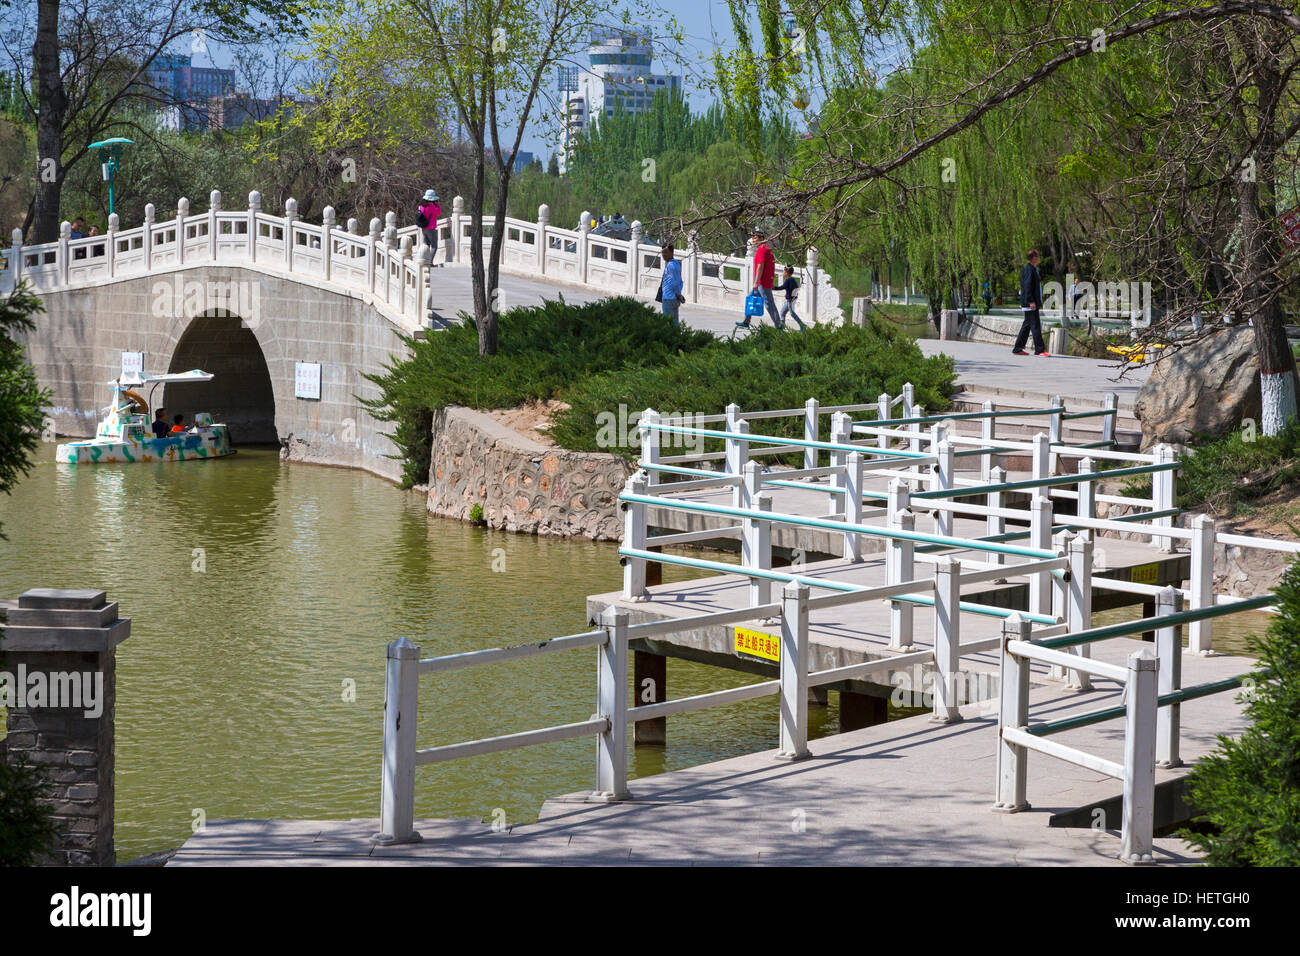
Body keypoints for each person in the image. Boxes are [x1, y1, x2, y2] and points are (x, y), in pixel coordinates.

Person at [737, 228, 784, 330]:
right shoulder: (768, 249)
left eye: (755, 238)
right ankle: (746, 322)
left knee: (769, 304)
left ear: (761, 238)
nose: (753, 240)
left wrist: (756, 282)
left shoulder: (762, 250)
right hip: (765, 281)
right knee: (751, 298)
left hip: (762, 282)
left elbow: (760, 266)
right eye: (753, 238)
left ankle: (779, 325)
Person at [1012, 249, 1048, 356]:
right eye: (1038, 256)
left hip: (1030, 303)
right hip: (1030, 304)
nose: (1039, 258)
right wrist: (1031, 301)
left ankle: (1018, 348)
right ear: (1034, 258)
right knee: (1035, 325)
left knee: (1027, 326)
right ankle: (1039, 350)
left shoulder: (1032, 269)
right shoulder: (1029, 269)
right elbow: (1027, 287)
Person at [658, 244, 685, 326]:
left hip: (669, 298)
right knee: (674, 322)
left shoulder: (670, 265)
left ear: (672, 252)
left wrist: (677, 294)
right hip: (673, 298)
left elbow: (675, 282)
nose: (663, 255)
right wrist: (678, 294)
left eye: (666, 252)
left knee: (668, 323)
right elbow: (680, 281)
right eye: (662, 252)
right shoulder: (676, 263)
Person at [776, 265, 806, 329]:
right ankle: (782, 326)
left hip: (790, 300)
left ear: (786, 273)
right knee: (782, 312)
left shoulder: (788, 280)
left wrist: (773, 288)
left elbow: (782, 287)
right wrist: (788, 293)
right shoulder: (792, 279)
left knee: (792, 313)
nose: (783, 273)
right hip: (790, 300)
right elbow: (795, 288)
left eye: (784, 272)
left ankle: (802, 325)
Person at [417, 190, 441, 264]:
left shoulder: (421, 206)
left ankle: (425, 261)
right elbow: (438, 212)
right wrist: (437, 205)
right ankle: (430, 262)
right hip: (431, 228)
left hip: (423, 227)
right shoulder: (431, 206)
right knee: (434, 246)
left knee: (426, 245)